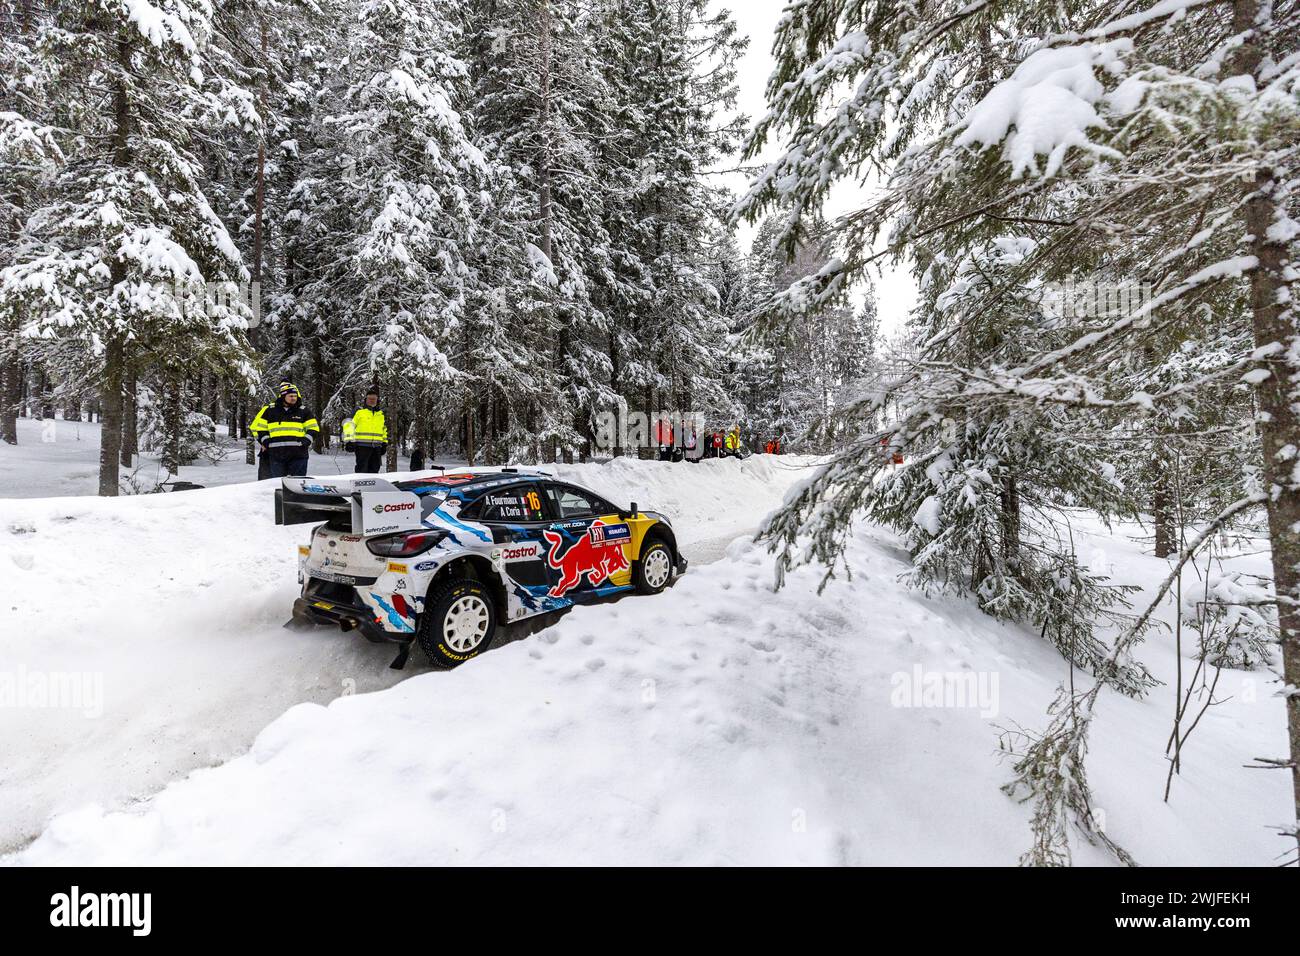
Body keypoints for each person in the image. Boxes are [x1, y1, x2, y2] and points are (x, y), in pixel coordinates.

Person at [259, 382, 319, 478]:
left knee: (298, 482)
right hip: (276, 454)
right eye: (291, 396)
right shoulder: (270, 410)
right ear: (283, 396)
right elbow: (261, 428)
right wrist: (266, 441)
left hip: (298, 454)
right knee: (277, 482)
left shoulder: (304, 411)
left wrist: (306, 441)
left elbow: (313, 428)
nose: (294, 398)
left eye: (295, 396)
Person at [249, 380, 291, 480]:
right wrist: (264, 442)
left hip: (289, 452)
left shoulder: (300, 412)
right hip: (270, 450)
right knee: (267, 480)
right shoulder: (268, 409)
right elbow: (255, 427)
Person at [343, 385, 388, 474]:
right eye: (370, 398)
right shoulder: (359, 412)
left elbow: (384, 429)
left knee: (375, 469)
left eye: (374, 399)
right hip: (362, 446)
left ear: (377, 400)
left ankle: (372, 483)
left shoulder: (380, 414)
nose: (372, 400)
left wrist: (384, 443)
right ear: (366, 400)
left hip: (376, 447)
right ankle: (360, 483)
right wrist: (349, 441)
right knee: (362, 469)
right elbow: (348, 424)